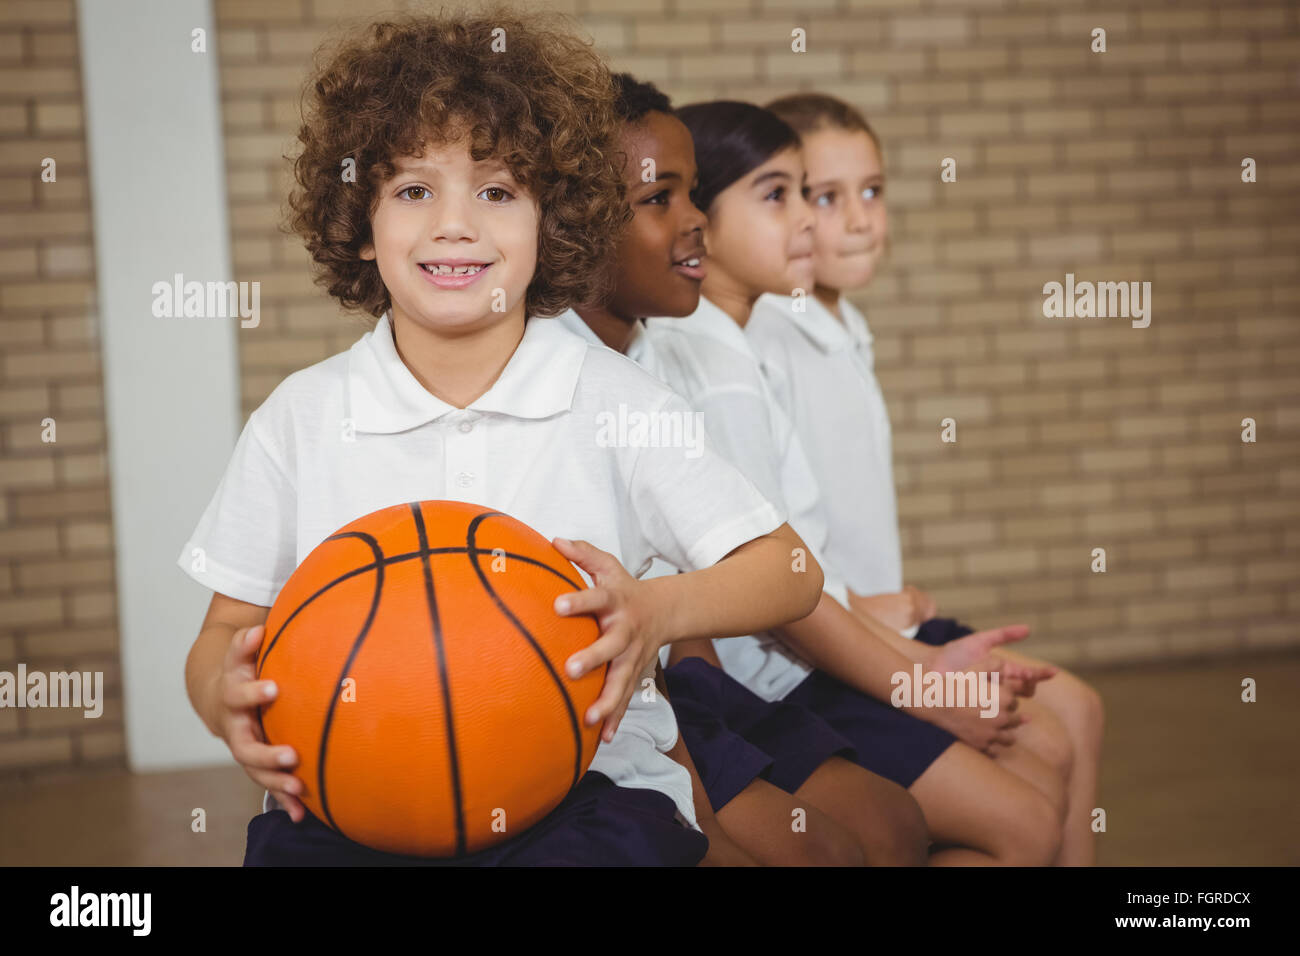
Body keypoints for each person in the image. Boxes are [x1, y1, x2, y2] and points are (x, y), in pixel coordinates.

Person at [177, 10, 821, 866]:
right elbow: (223, 635)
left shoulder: (613, 400)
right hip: (349, 794)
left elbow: (790, 572)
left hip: (583, 793)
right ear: (362, 226)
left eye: (496, 190)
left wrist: (656, 610)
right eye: (413, 190)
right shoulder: (300, 418)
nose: (455, 224)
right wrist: (224, 701)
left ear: (551, 221)